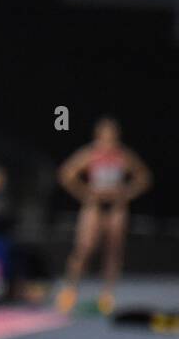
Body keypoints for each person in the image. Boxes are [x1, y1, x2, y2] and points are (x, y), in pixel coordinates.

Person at [55, 117, 152, 315]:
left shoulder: (123, 155)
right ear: (98, 136)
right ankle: (70, 290)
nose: (109, 140)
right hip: (95, 206)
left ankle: (107, 295)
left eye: (112, 136)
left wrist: (126, 193)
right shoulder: (90, 154)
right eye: (105, 136)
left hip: (116, 207)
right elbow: (66, 174)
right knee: (84, 247)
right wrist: (85, 192)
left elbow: (144, 177)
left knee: (113, 250)